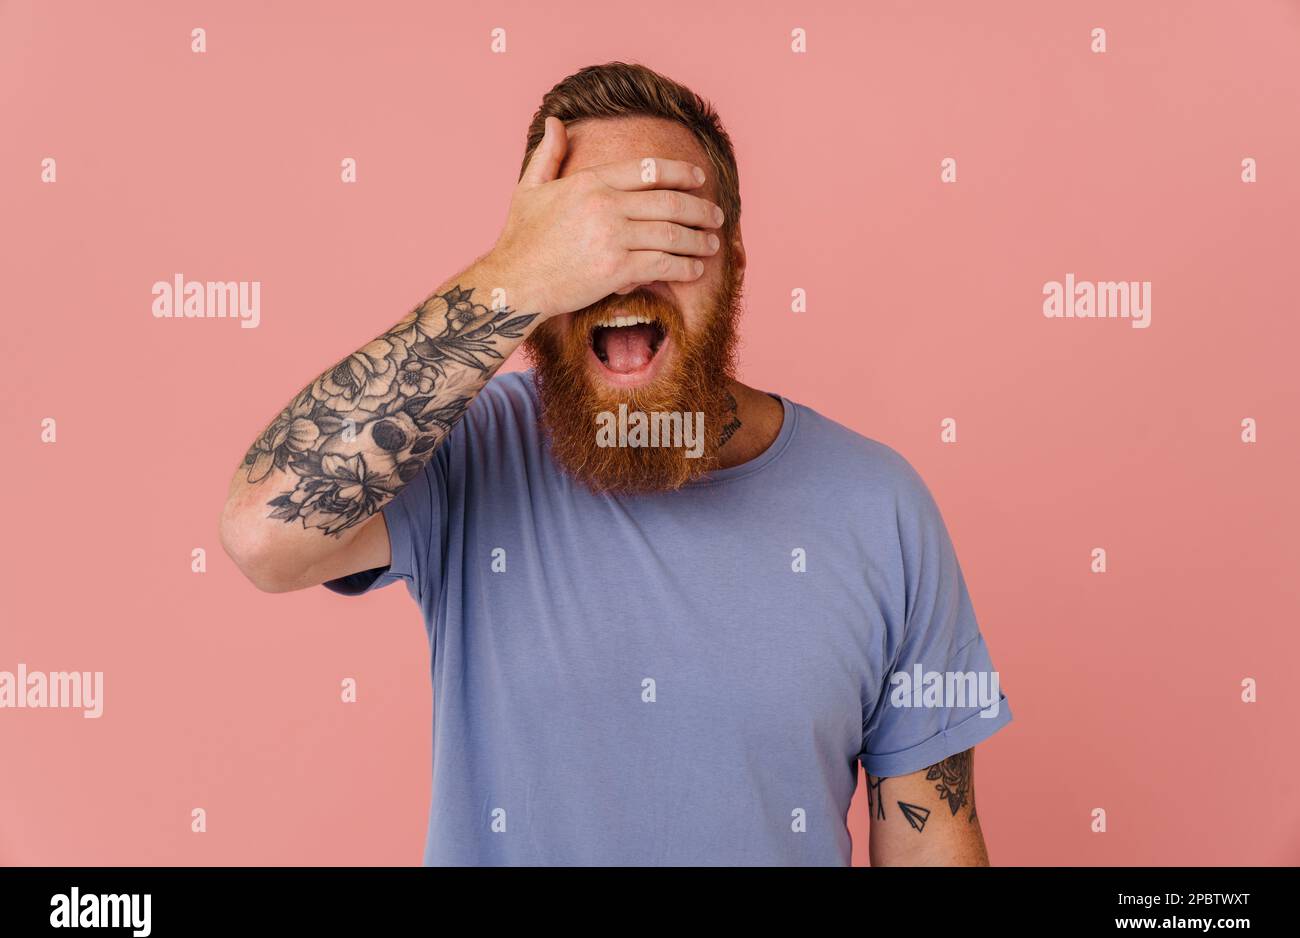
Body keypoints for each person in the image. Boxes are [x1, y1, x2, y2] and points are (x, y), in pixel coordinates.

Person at [219, 61, 1013, 866]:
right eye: (586, 238)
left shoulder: (880, 507)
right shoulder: (466, 450)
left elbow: (932, 836)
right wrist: (512, 275)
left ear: (733, 257)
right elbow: (260, 531)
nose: (622, 271)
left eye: (664, 229)